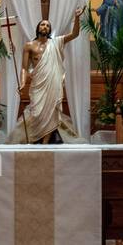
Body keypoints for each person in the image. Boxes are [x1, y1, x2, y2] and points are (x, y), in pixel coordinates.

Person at [11, 9, 83, 144]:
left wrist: (77, 17)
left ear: (50, 30)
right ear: (38, 27)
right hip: (38, 84)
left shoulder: (56, 42)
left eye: (47, 25)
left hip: (52, 83)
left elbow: (75, 34)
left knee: (51, 113)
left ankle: (45, 143)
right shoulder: (29, 45)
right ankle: (34, 139)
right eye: (42, 24)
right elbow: (24, 68)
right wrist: (22, 83)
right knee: (36, 112)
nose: (45, 26)